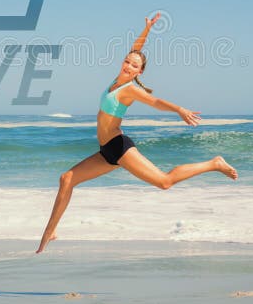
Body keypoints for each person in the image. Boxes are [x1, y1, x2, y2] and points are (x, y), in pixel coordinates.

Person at [36, 13, 238, 253]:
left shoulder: (129, 90)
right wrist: (148, 29)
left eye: (134, 66)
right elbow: (136, 49)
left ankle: (214, 163)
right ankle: (51, 230)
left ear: (138, 72)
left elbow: (156, 102)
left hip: (119, 147)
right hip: (105, 151)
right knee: (66, 179)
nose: (129, 65)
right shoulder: (116, 81)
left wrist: (179, 109)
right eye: (127, 61)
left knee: (164, 182)